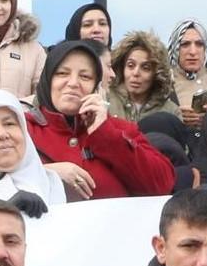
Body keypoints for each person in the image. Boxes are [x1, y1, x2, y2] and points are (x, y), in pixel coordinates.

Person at [26, 43, 180, 203]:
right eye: (62, 73)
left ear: (96, 86)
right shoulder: (23, 127)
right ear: (47, 79)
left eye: (85, 76)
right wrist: (47, 173)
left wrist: (105, 133)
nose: (73, 83)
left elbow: (162, 184)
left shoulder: (119, 128)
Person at [105, 30, 175, 124]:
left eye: (145, 68)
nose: (136, 73)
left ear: (157, 74)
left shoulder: (170, 111)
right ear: (122, 67)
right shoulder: (105, 100)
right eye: (130, 65)